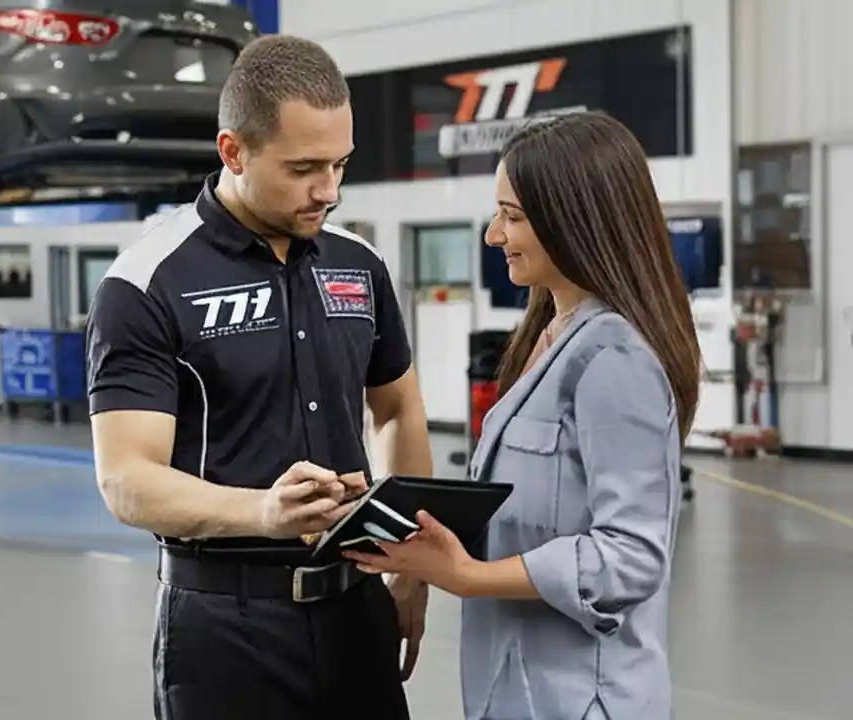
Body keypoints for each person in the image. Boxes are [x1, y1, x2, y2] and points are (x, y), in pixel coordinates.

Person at [85, 34, 433, 720]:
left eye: (339, 164)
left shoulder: (358, 266)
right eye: (303, 168)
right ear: (233, 151)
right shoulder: (148, 283)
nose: (328, 191)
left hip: (356, 610)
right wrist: (263, 513)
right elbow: (126, 479)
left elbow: (396, 408)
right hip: (224, 628)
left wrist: (410, 563)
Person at [344, 110, 702, 720]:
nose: (493, 235)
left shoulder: (614, 360)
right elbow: (534, 507)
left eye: (511, 216)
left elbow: (632, 556)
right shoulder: (549, 335)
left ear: (574, 219)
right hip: (517, 688)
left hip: (581, 700)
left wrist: (466, 576)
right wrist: (406, 519)